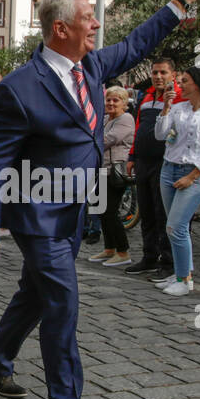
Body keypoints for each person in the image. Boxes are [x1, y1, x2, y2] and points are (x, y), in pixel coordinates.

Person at [0, 0, 200, 399]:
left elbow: (140, 42)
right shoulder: (18, 87)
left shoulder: (93, 67)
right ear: (61, 28)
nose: (98, 25)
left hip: (77, 211)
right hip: (37, 213)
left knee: (36, 296)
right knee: (62, 304)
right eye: (89, 17)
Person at [154, 66, 200, 296]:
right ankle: (180, 271)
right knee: (176, 227)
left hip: (193, 174)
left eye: (184, 81)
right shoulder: (178, 108)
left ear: (196, 84)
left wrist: (192, 176)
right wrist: (165, 108)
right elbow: (160, 134)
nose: (179, 85)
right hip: (169, 170)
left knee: (175, 227)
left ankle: (185, 280)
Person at [123, 57, 182, 277]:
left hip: (165, 162)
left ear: (172, 75)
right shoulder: (146, 96)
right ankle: (149, 256)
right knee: (146, 211)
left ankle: (167, 262)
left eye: (163, 73)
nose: (158, 77)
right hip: (143, 161)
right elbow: (139, 127)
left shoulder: (180, 97)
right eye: (155, 72)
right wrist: (132, 156)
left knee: (162, 213)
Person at [87, 85, 135, 266]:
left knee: (111, 212)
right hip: (101, 169)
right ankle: (109, 248)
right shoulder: (106, 118)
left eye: (116, 100)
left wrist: (91, 138)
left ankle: (123, 252)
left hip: (115, 171)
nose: (111, 103)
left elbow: (107, 141)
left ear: (124, 103)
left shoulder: (126, 119)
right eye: (108, 100)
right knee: (101, 210)